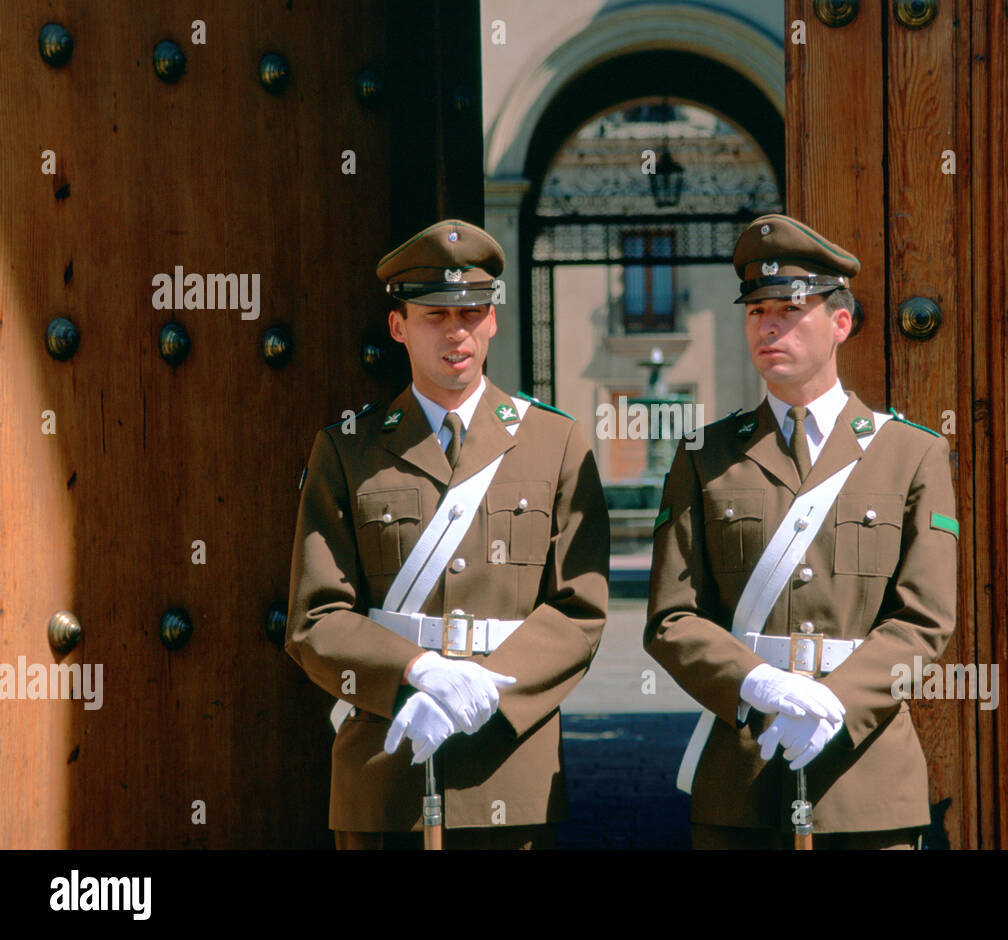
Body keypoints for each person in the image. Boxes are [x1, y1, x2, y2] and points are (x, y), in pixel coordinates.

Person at [285, 219, 609, 849]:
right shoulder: (347, 449)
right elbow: (315, 617)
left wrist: (481, 691)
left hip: (507, 771)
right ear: (397, 326)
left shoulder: (555, 442)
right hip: (384, 766)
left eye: (472, 312)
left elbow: (582, 610)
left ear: (492, 321)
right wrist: (417, 670)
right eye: (434, 315)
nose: (455, 331)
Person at [644, 213, 958, 849]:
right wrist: (756, 683)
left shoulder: (909, 454)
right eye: (757, 310)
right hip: (742, 780)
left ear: (840, 322)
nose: (769, 324)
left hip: (864, 782)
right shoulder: (705, 454)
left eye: (790, 306)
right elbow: (671, 617)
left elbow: (925, 618)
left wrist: (838, 703)